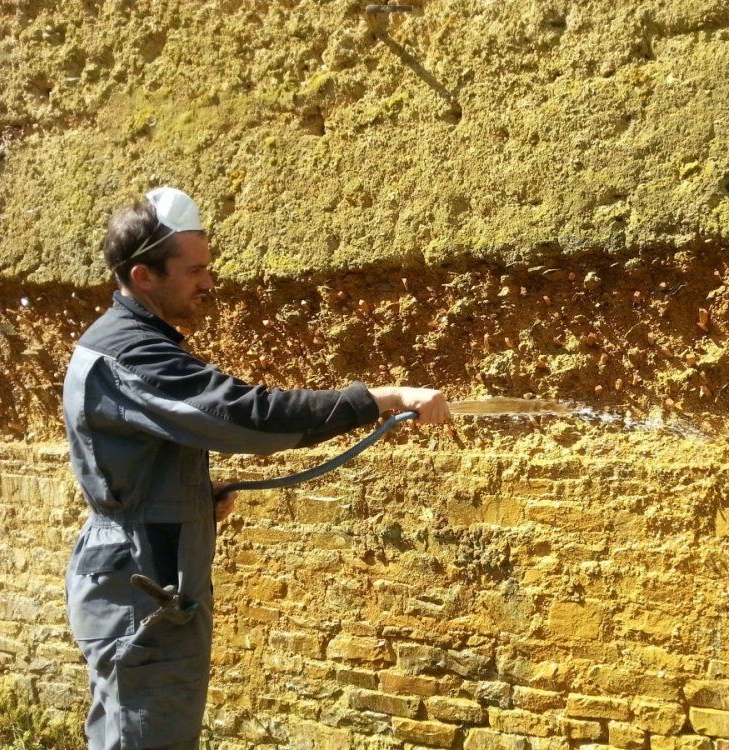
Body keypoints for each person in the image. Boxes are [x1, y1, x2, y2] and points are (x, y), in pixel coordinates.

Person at [62, 186, 450, 750]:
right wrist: (381, 399)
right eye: (194, 270)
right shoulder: (132, 354)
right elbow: (247, 416)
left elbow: (140, 458)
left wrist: (193, 493)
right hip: (141, 579)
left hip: (149, 571)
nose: (208, 282)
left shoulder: (128, 343)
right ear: (143, 276)